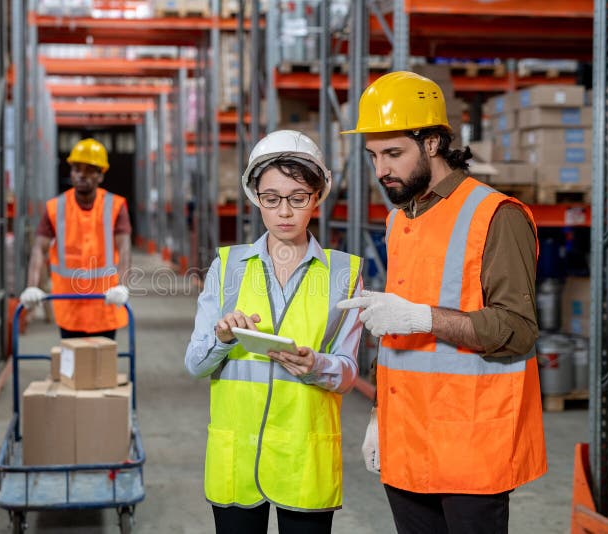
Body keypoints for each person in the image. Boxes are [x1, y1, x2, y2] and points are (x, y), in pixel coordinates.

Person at [338, 71, 546, 534]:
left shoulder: (496, 215)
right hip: (406, 439)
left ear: (432, 142)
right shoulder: (399, 220)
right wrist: (378, 415)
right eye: (373, 156)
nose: (381, 169)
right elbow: (394, 333)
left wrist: (421, 318)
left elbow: (517, 330)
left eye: (394, 154)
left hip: (471, 446)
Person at [185, 130, 364, 534]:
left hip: (304, 459)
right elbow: (195, 364)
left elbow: (349, 372)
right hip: (238, 458)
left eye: (298, 198)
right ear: (256, 198)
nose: (284, 211)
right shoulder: (227, 267)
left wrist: (317, 366)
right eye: (271, 198)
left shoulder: (344, 273)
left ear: (317, 197)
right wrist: (223, 339)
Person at [20, 137, 131, 340]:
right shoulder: (56, 208)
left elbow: (124, 248)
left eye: (89, 169)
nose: (81, 174)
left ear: (101, 175)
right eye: (77, 169)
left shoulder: (115, 206)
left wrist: (122, 285)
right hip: (69, 305)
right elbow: (39, 249)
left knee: (103, 358)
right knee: (72, 357)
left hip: (105, 304)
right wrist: (32, 285)